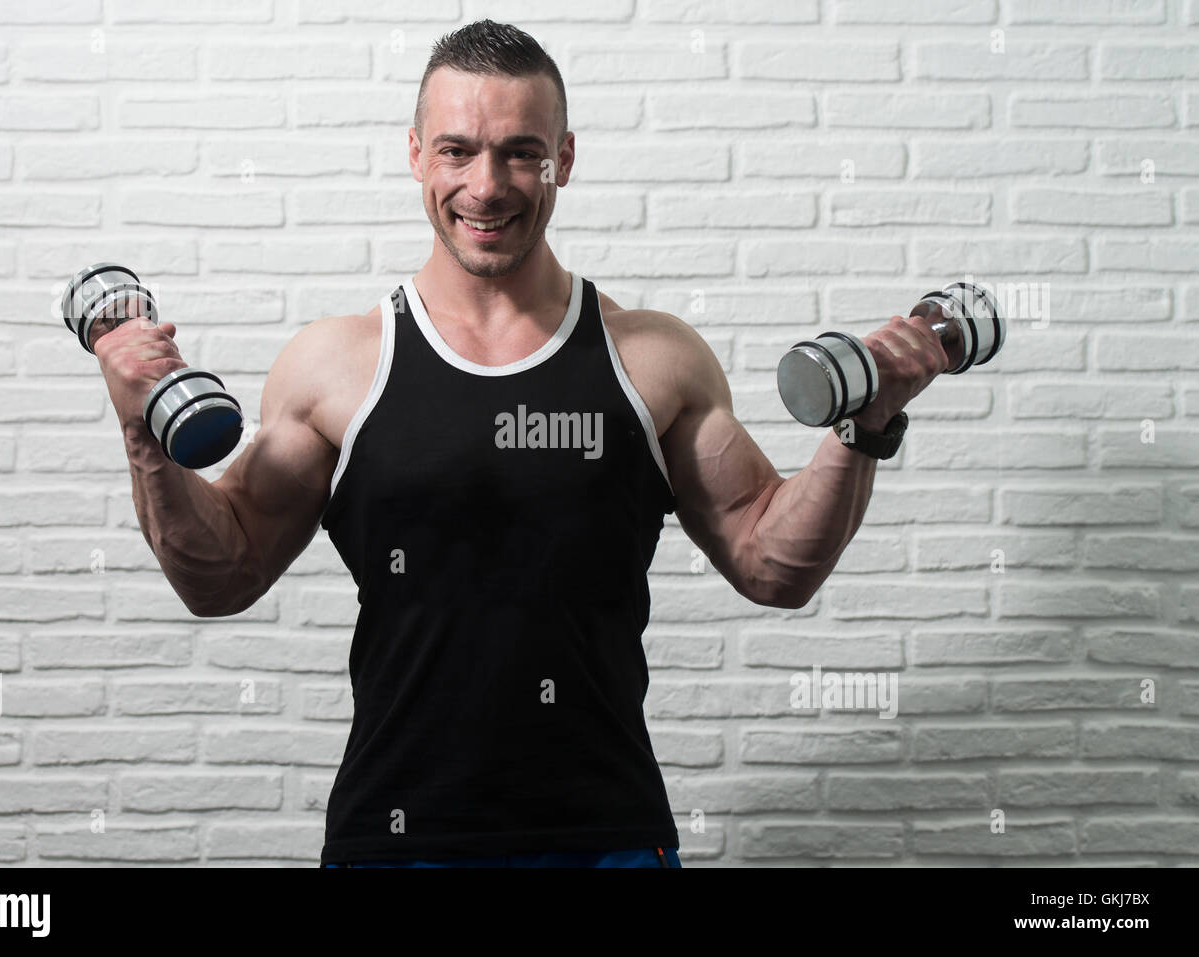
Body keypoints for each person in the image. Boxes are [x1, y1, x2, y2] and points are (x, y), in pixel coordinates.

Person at [93, 19, 948, 868]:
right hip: (396, 837)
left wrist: (862, 428)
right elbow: (222, 574)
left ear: (563, 160)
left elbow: (772, 565)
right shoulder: (338, 365)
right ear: (418, 155)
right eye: (458, 151)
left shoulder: (651, 359)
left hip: (605, 836)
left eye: (519, 152)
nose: (486, 185)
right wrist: (144, 436)